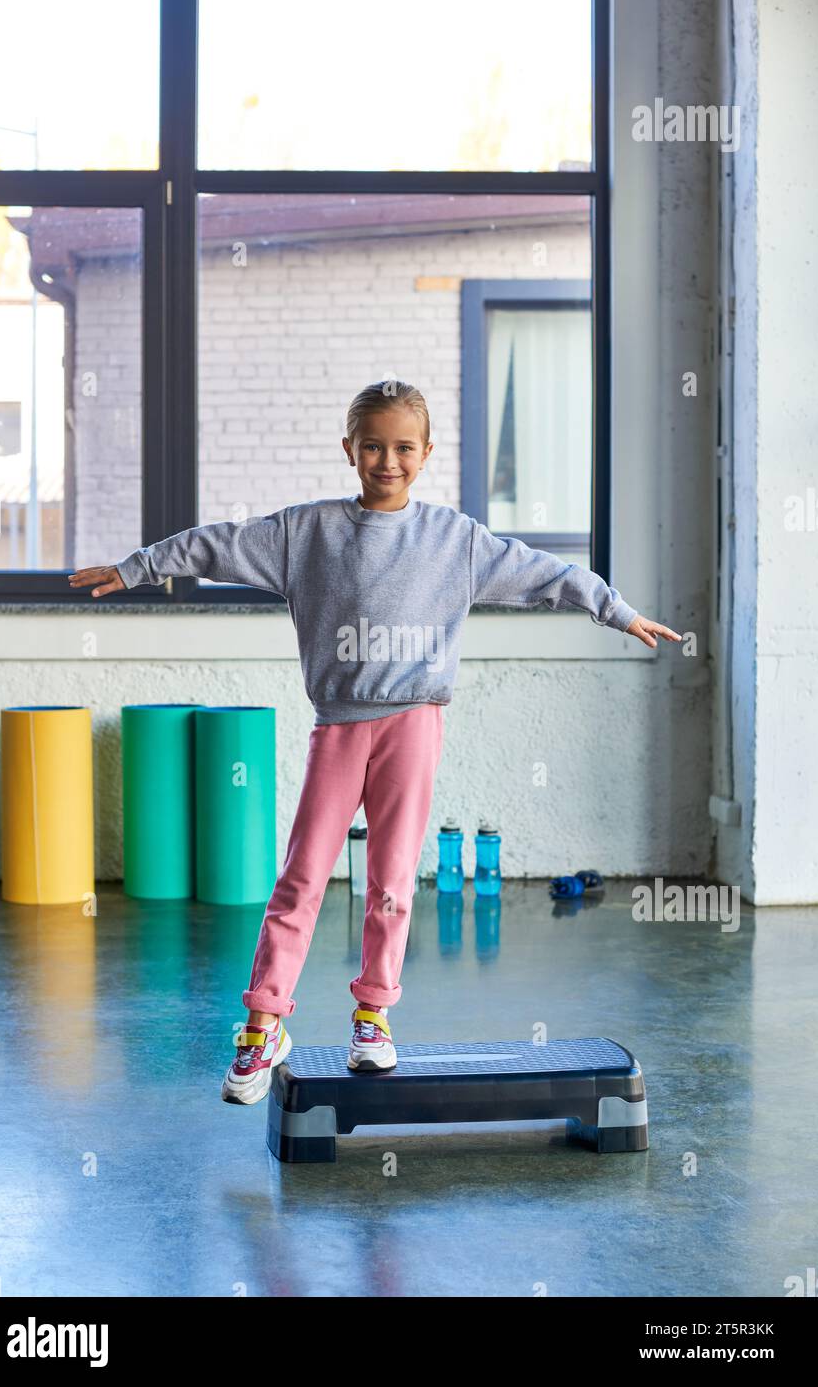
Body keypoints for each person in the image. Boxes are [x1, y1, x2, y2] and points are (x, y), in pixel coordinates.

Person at [69, 379, 680, 1105]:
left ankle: (372, 1015)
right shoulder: (306, 534)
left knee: (391, 884)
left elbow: (546, 574)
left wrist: (616, 611)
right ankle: (263, 1025)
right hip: (340, 727)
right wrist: (136, 567)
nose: (385, 460)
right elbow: (214, 545)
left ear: (425, 454)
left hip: (412, 725)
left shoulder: (456, 541)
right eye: (371, 447)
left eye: (401, 448)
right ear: (349, 451)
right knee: (299, 880)